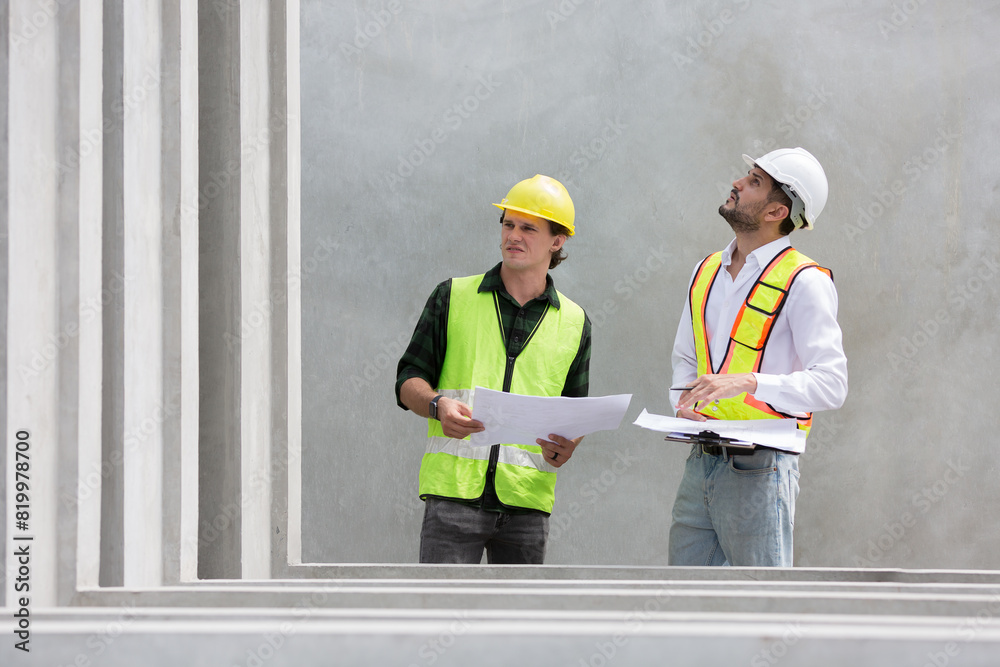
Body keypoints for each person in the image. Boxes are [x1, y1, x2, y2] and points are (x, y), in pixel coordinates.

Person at [395, 174, 592, 565]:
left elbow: (575, 411)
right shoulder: (452, 297)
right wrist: (437, 405)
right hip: (453, 498)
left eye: (528, 228)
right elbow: (407, 380)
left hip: (526, 503)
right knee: (442, 618)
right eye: (508, 224)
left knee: (519, 625)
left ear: (557, 241)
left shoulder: (575, 322)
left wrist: (568, 445)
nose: (513, 236)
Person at [667, 147, 848, 567]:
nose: (737, 183)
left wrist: (750, 381)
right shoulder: (706, 270)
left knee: (759, 610)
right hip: (701, 461)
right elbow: (685, 357)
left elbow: (832, 384)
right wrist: (681, 402)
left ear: (775, 211)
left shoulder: (805, 281)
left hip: (762, 468)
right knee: (683, 605)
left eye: (754, 182)